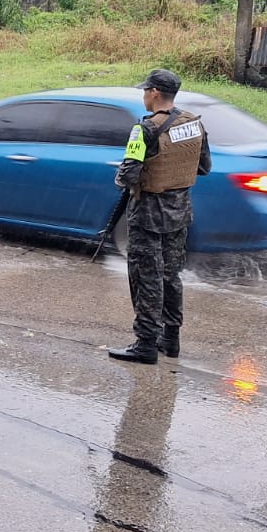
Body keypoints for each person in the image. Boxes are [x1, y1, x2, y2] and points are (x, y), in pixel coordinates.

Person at [109, 69, 212, 365]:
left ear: (154, 93)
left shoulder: (144, 130)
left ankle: (145, 344)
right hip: (180, 213)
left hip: (148, 216)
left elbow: (127, 175)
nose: (143, 96)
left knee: (146, 277)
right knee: (170, 275)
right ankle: (170, 338)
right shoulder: (193, 125)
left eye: (145, 91)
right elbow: (204, 167)